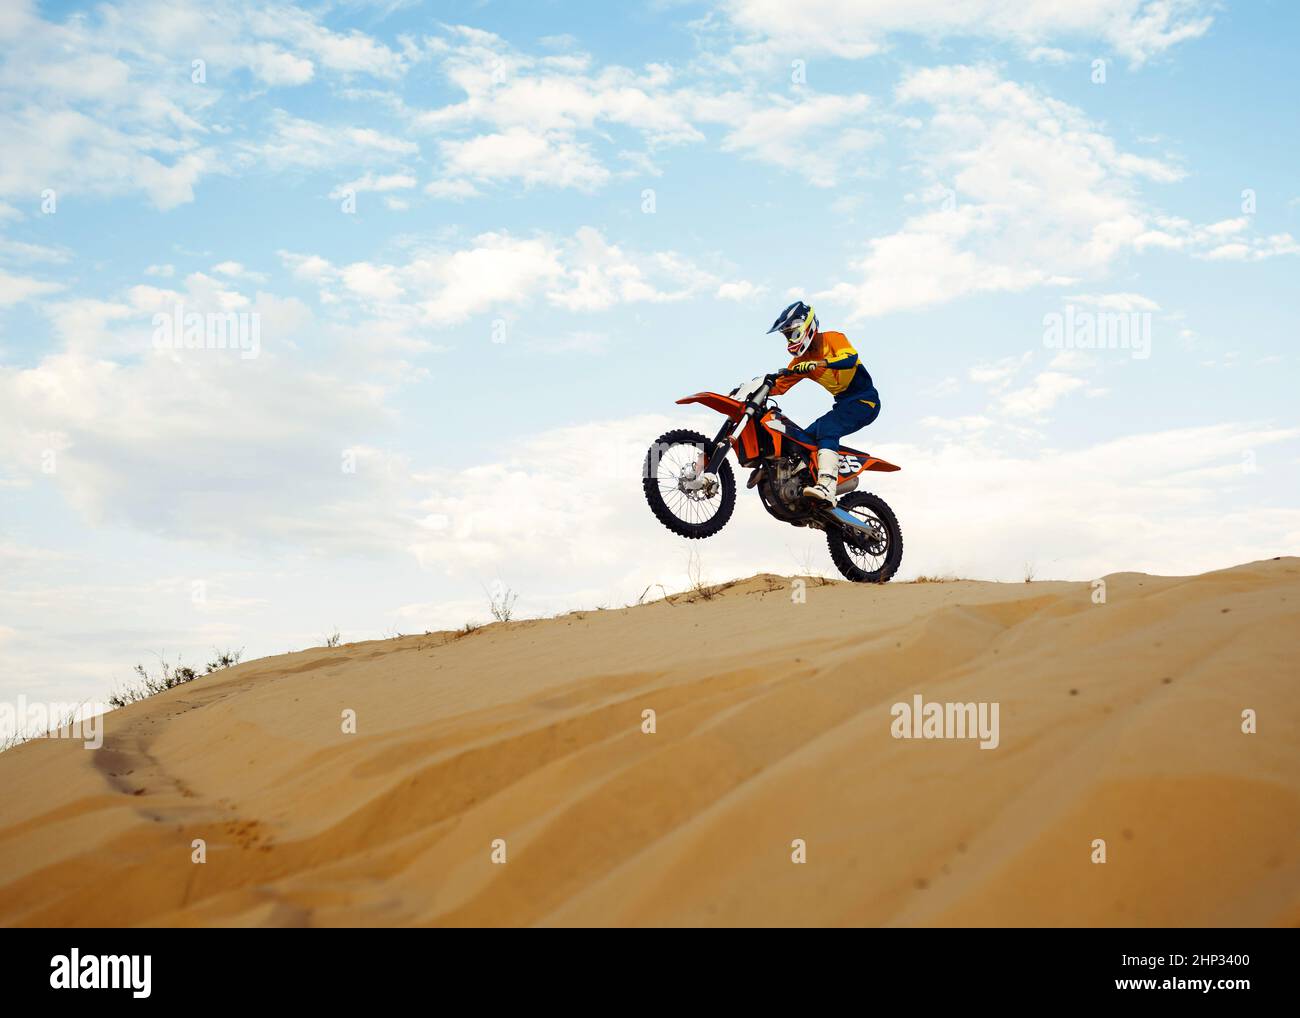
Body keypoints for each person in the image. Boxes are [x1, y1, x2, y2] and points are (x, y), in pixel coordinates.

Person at [767, 300, 880, 506]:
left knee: (828, 429)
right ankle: (803, 486)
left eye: (791, 334)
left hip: (865, 401)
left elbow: (850, 359)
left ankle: (827, 485)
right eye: (786, 336)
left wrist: (820, 363)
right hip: (843, 405)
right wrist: (758, 388)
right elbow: (780, 387)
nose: (789, 340)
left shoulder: (832, 339)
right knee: (802, 439)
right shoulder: (800, 362)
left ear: (805, 327)